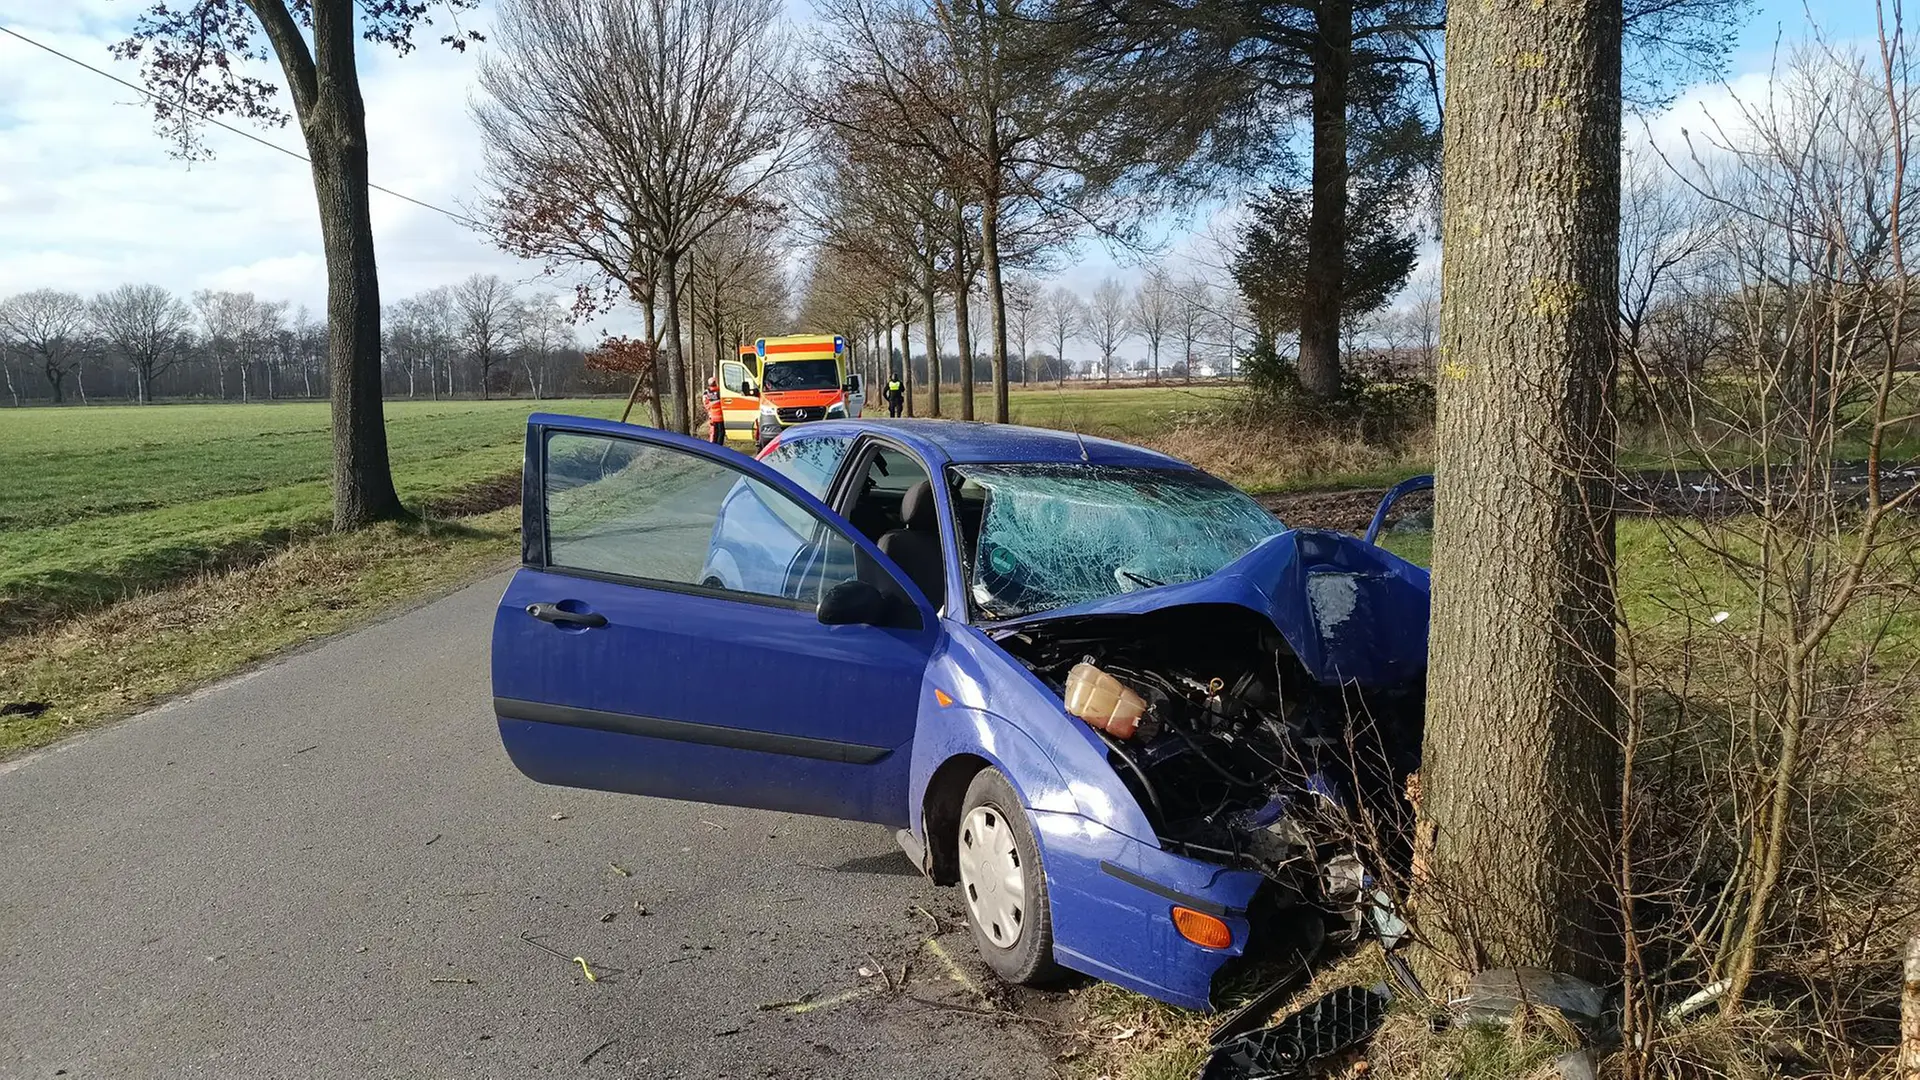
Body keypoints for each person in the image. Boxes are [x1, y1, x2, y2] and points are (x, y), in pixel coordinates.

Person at [704, 376, 726, 444]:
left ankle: (714, 445)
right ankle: (719, 445)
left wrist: (709, 410)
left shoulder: (706, 392)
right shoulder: (719, 391)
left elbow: (705, 403)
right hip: (720, 415)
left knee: (714, 432)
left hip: (712, 415)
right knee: (721, 432)